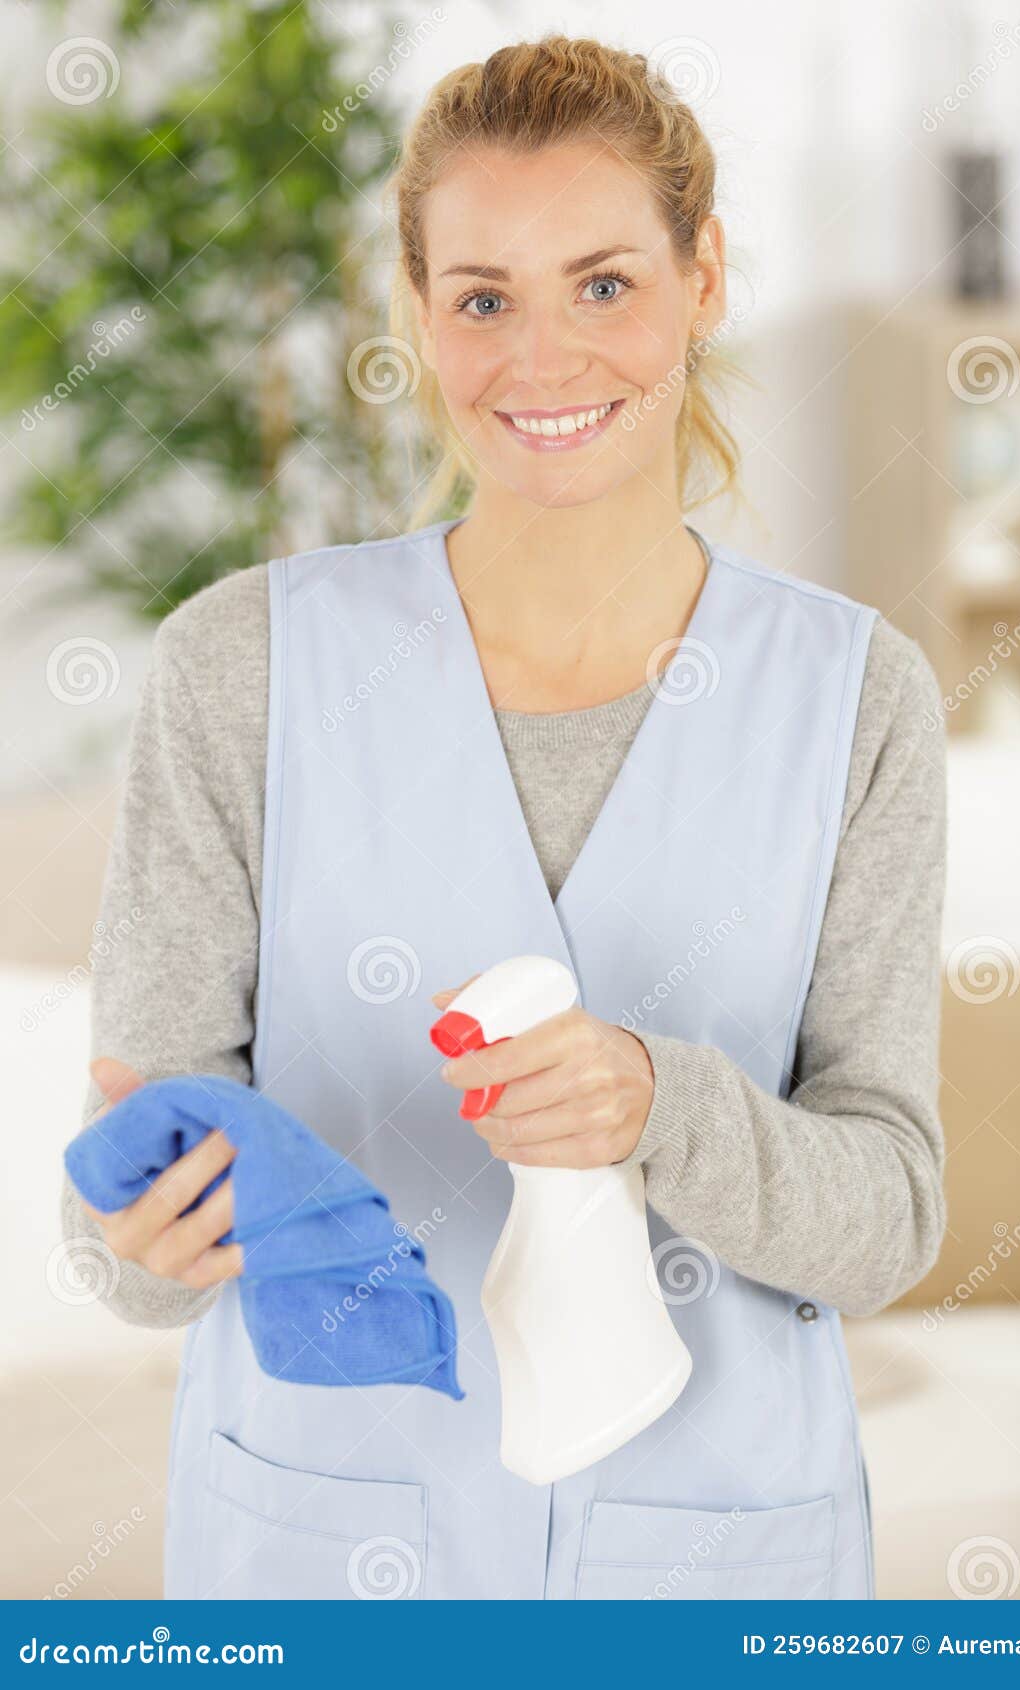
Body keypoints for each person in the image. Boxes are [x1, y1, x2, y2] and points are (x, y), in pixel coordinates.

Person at [63, 34, 946, 1600]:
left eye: (604, 283)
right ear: (417, 316)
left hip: (718, 1566)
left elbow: (891, 1222)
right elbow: (124, 1217)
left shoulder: (856, 695)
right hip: (323, 1560)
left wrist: (659, 1105)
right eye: (482, 297)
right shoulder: (242, 669)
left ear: (704, 279)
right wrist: (133, 1240)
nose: (543, 358)